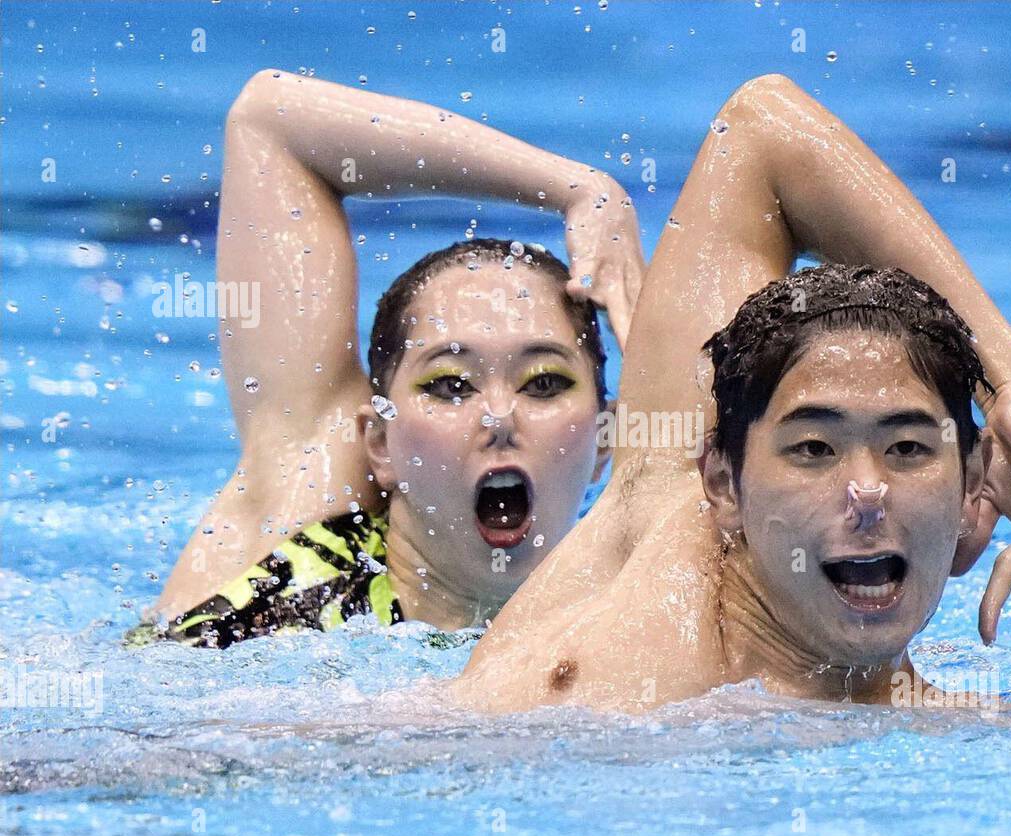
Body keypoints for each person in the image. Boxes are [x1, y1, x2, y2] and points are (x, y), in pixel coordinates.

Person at [450, 73, 1011, 713]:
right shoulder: (658, 514)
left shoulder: (993, 741)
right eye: (813, 447)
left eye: (908, 448)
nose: (868, 493)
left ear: (972, 491)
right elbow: (761, 128)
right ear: (722, 482)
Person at [128, 71, 644, 647]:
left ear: (607, 437)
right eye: (450, 385)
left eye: (544, 383)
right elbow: (269, 120)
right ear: (378, 442)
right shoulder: (303, 510)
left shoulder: (644, 613)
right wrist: (582, 191)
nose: (500, 415)